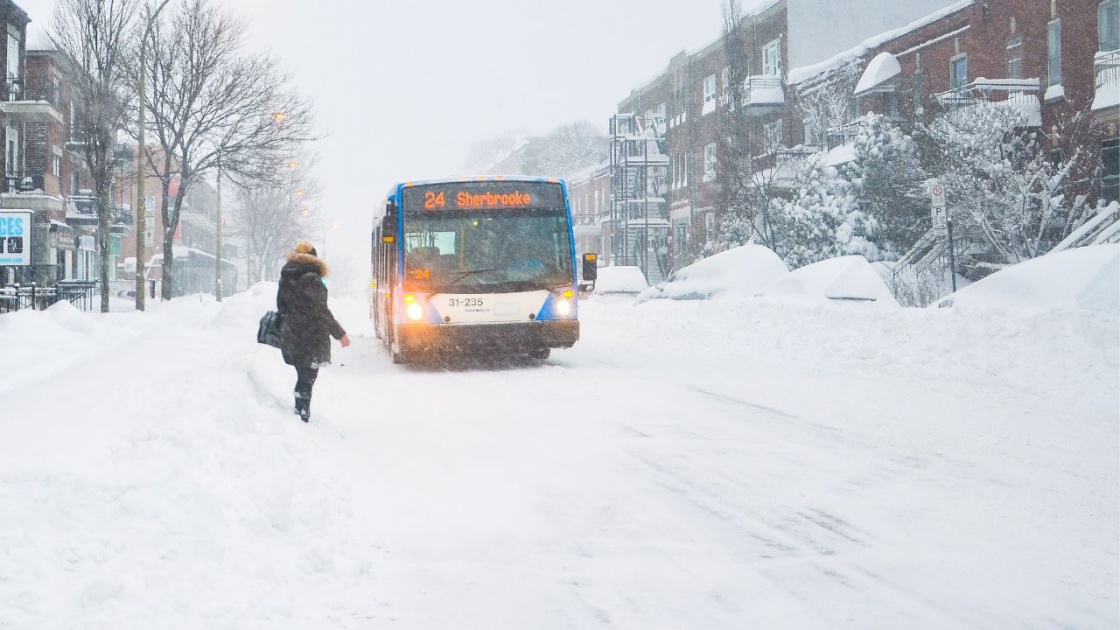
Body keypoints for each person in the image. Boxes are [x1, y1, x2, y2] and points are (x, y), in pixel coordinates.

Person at [277, 241, 349, 422]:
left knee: (303, 373)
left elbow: (281, 306)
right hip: (310, 335)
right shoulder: (313, 278)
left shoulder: (286, 276)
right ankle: (302, 414)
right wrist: (340, 334)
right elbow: (320, 311)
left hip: (292, 333)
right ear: (314, 258)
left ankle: (300, 410)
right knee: (308, 375)